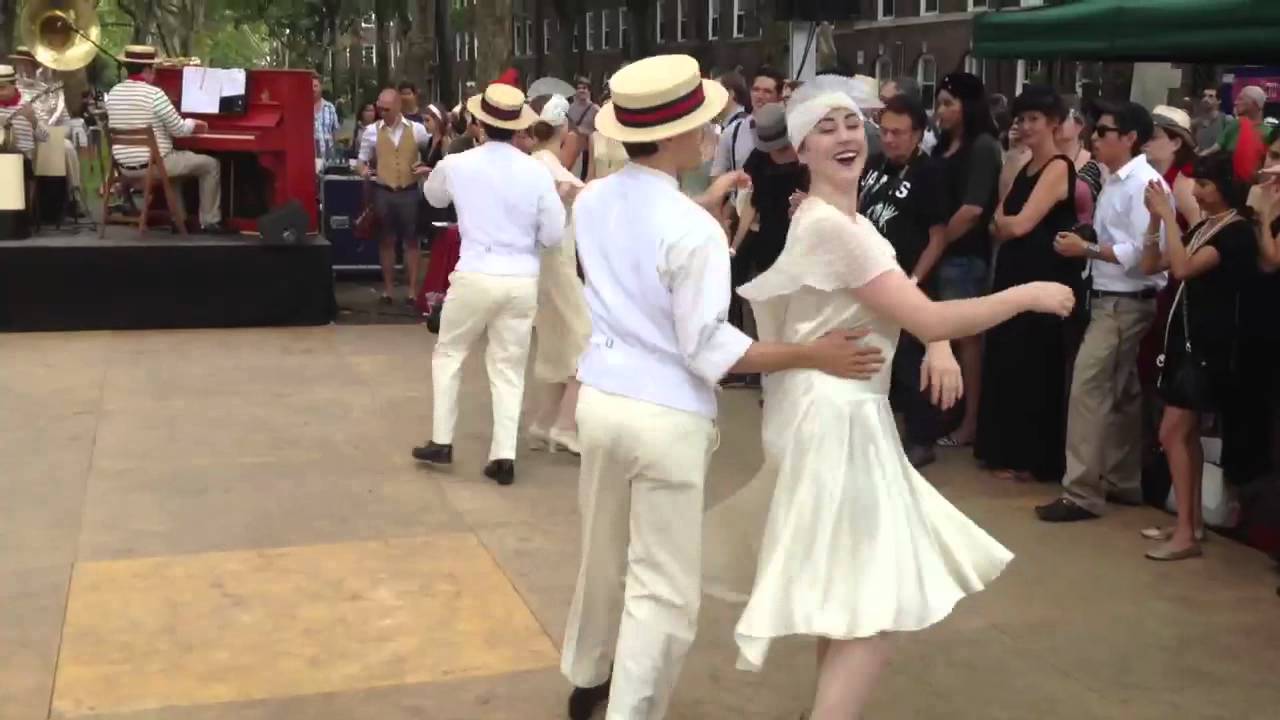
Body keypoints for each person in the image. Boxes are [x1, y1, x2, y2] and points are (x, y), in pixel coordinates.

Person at [702, 75, 1075, 720]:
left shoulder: (846, 220)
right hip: (836, 421)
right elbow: (924, 315)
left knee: (851, 597)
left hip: (846, 417)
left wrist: (930, 343)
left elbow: (899, 299)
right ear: (802, 150)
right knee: (875, 600)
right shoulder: (831, 228)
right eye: (826, 128)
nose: (845, 137)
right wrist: (1029, 294)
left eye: (852, 124)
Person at [558, 55, 885, 720]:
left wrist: (699, 209)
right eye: (701, 122)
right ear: (676, 135)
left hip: (601, 398)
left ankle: (589, 673)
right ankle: (628, 710)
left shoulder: (595, 199)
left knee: (602, 551)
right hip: (665, 414)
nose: (712, 130)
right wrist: (808, 353)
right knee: (663, 589)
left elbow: (631, 242)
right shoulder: (693, 230)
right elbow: (708, 347)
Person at [412, 82, 564, 486]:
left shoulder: (458, 163)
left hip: (476, 271)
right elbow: (552, 234)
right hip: (520, 278)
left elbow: (434, 198)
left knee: (449, 353)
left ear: (479, 123)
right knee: (508, 367)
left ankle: (442, 440)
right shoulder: (536, 171)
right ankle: (503, 455)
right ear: (518, 126)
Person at [1037, 100, 1170, 522]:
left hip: (1124, 301)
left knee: (1089, 391)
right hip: (1111, 298)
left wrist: (1088, 248)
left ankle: (1082, 492)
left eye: (1105, 131)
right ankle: (1120, 478)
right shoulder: (1116, 180)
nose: (1095, 137)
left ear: (1130, 138)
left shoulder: (1142, 184)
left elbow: (1147, 251)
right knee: (1122, 393)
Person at [1138, 152, 1259, 559]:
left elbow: (1184, 268)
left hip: (1210, 346)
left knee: (1172, 431)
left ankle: (1187, 533)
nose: (1196, 191)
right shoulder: (1208, 225)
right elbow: (1152, 262)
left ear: (1225, 186)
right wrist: (1156, 220)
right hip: (1186, 341)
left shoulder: (1237, 231)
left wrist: (1170, 219)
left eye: (1204, 184)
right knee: (1183, 434)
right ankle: (1190, 523)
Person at [975, 85, 1084, 484]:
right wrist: (1006, 225)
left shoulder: (1058, 167)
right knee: (1006, 356)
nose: (1026, 127)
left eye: (1034, 120)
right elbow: (997, 219)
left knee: (1033, 363)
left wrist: (1007, 226)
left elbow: (1018, 223)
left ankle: (1030, 456)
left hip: (1043, 274)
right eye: (1021, 120)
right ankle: (1003, 448)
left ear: (1054, 123)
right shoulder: (1024, 167)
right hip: (1014, 270)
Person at [859, 92, 952, 469]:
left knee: (912, 363)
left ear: (918, 134)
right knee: (880, 357)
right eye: (885, 131)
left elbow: (939, 235)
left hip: (910, 280)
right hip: (873, 279)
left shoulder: (930, 173)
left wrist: (915, 280)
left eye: (899, 133)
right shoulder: (875, 165)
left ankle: (922, 437)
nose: (891, 139)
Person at [931, 72, 1003, 448]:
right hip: (937, 254)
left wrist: (939, 243)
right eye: (939, 102)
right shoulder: (942, 145)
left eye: (949, 103)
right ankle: (945, 410)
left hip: (963, 256)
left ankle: (971, 420)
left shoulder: (983, 147)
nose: (941, 111)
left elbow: (973, 208)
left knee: (967, 342)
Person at [723, 102, 808, 389]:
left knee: (795, 314)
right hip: (769, 241)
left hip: (800, 244)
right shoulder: (759, 158)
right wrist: (735, 245)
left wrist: (808, 204)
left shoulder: (807, 156)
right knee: (767, 313)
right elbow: (750, 205)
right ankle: (768, 374)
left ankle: (790, 376)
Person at [524, 93, 590, 454]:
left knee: (557, 345)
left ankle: (544, 421)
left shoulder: (535, 163)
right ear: (564, 129)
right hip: (557, 264)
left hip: (544, 265)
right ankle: (565, 424)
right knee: (585, 341)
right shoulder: (548, 167)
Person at [104, 45, 225, 233]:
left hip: (124, 169)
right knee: (210, 165)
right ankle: (210, 221)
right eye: (153, 69)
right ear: (146, 70)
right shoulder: (155, 94)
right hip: (153, 166)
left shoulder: (113, 94)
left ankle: (179, 220)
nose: (155, 73)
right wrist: (193, 122)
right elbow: (179, 130)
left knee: (171, 165)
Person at [356, 87, 432, 304]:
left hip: (409, 190)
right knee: (386, 241)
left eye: (387, 109)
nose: (383, 112)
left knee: (412, 242)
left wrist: (424, 166)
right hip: (383, 190)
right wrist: (363, 171)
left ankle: (412, 290)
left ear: (398, 106)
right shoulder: (371, 131)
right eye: (380, 108)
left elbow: (432, 151)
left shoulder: (416, 130)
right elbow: (361, 160)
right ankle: (388, 289)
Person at [1057, 107, 1101, 222]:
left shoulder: (1095, 162)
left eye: (1064, 118)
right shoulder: (1040, 159)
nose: (1057, 124)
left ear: (1079, 126)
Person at [0, 64, 46, 165]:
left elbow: (45, 138)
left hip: (23, 163)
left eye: (2, 88)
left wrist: (33, 120)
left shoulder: (29, 104)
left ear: (14, 85)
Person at [566, 76, 599, 179]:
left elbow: (599, 130)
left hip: (588, 149)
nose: (581, 90)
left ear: (589, 91)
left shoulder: (596, 109)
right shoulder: (570, 108)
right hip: (573, 147)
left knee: (585, 175)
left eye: (584, 88)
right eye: (579, 88)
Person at [312, 74, 338, 166]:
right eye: (310, 86)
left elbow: (334, 133)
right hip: (309, 157)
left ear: (321, 87)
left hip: (327, 157)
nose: (313, 89)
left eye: (315, 86)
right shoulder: (301, 108)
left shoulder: (330, 107)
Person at [1195, 86, 1227, 154]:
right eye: (1204, 96)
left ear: (1219, 100)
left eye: (1211, 96)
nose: (1206, 99)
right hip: (1201, 161)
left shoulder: (1226, 120)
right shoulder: (1198, 121)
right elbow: (1198, 145)